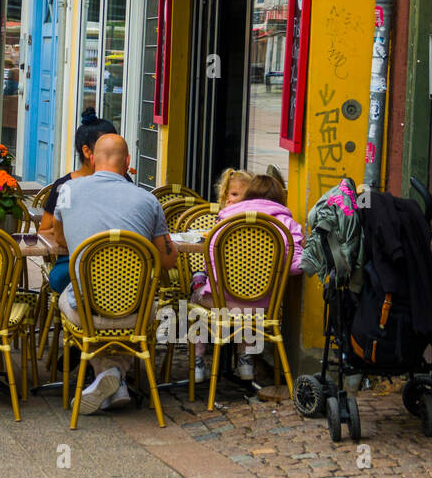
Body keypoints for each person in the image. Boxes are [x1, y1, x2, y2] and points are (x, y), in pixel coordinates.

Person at [53, 134, 177, 414]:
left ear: (92, 158)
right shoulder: (147, 200)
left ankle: (109, 377)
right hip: (134, 311)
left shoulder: (68, 190)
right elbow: (168, 261)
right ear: (128, 163)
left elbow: (61, 239)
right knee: (140, 309)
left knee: (66, 296)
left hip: (86, 309)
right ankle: (115, 377)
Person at [194, 173, 304, 382]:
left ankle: (198, 362)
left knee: (193, 297)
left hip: (222, 301)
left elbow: (211, 259)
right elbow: (296, 267)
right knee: (248, 304)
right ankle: (245, 360)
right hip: (264, 306)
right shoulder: (287, 225)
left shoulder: (226, 220)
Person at [38, 108, 126, 293]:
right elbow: (45, 230)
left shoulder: (124, 183)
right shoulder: (65, 187)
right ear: (87, 151)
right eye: (106, 148)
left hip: (120, 262)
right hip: (73, 260)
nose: (113, 153)